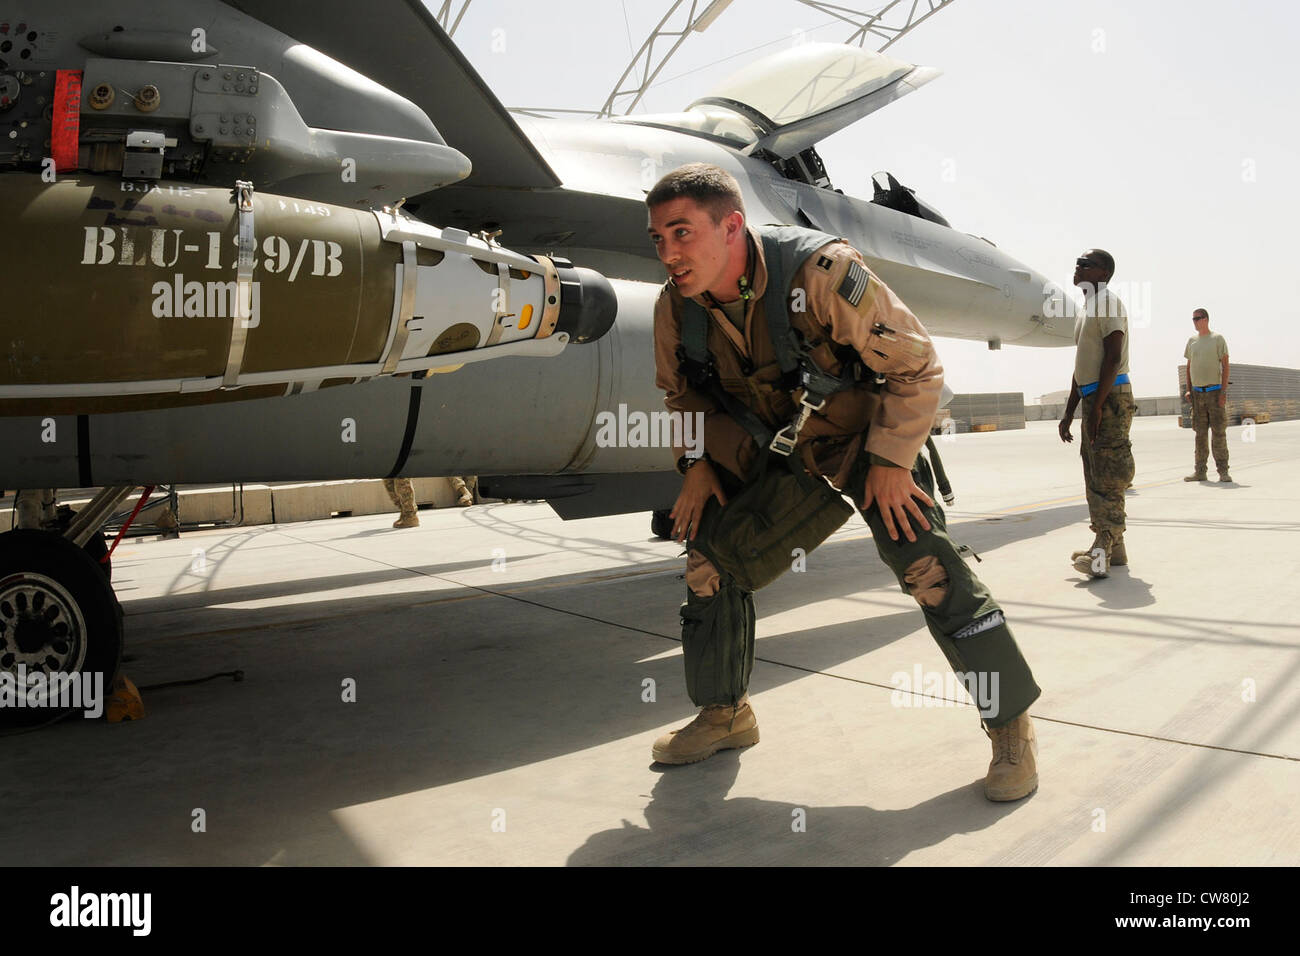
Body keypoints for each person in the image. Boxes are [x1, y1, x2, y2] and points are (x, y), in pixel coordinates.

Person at [647, 163, 1041, 802]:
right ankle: (725, 715)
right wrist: (693, 467)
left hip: (864, 439)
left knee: (929, 569)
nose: (669, 252)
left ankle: (1010, 726)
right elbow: (681, 396)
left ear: (732, 226)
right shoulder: (677, 310)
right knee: (707, 559)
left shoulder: (818, 273)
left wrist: (888, 465)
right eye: (659, 238)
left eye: (682, 233)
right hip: (779, 453)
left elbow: (917, 367)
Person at [1058, 249, 1134, 578]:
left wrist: (1100, 404)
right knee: (1094, 472)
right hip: (1094, 396)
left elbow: (1113, 356)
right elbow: (1082, 368)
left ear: (1103, 273)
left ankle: (1102, 551)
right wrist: (1069, 412)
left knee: (1109, 475)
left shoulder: (1108, 302)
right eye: (1077, 262)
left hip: (1111, 396)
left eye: (1085, 264)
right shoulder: (1087, 309)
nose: (1077, 267)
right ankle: (1114, 550)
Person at [1182, 308, 1230, 482]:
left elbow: (1225, 366)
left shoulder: (1217, 339)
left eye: (1197, 318)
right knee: (1200, 434)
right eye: (1193, 319)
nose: (1194, 321)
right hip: (1197, 394)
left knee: (1219, 433)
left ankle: (1223, 471)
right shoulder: (1192, 341)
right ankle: (1200, 471)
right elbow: (1188, 367)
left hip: (1214, 392)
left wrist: (1223, 391)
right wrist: (1188, 389)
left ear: (1206, 319)